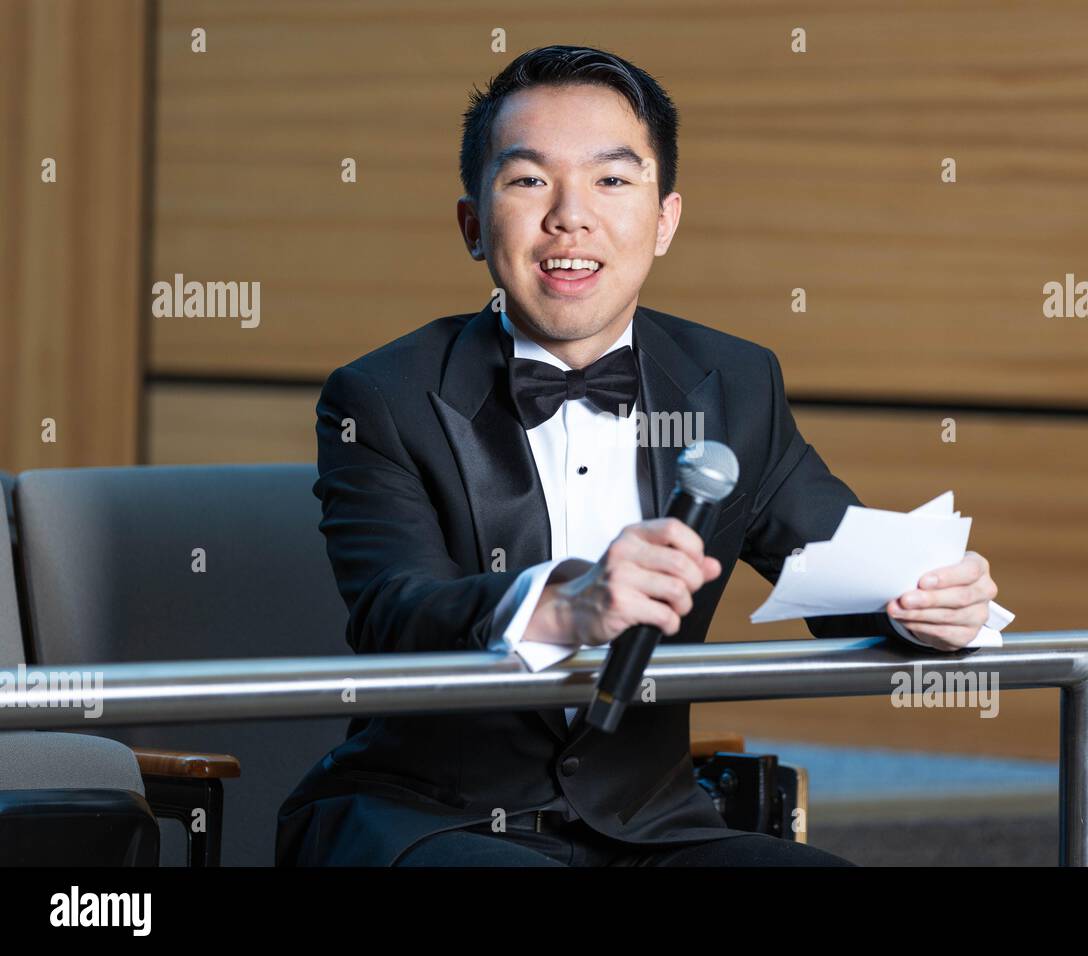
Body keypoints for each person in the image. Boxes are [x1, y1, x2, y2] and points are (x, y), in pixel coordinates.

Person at [276, 44, 998, 867]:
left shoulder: (735, 382)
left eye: (612, 180)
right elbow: (394, 616)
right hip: (433, 819)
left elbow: (837, 559)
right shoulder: (382, 395)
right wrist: (565, 608)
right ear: (474, 227)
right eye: (527, 180)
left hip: (651, 826)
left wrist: (932, 601)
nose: (570, 216)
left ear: (664, 222)